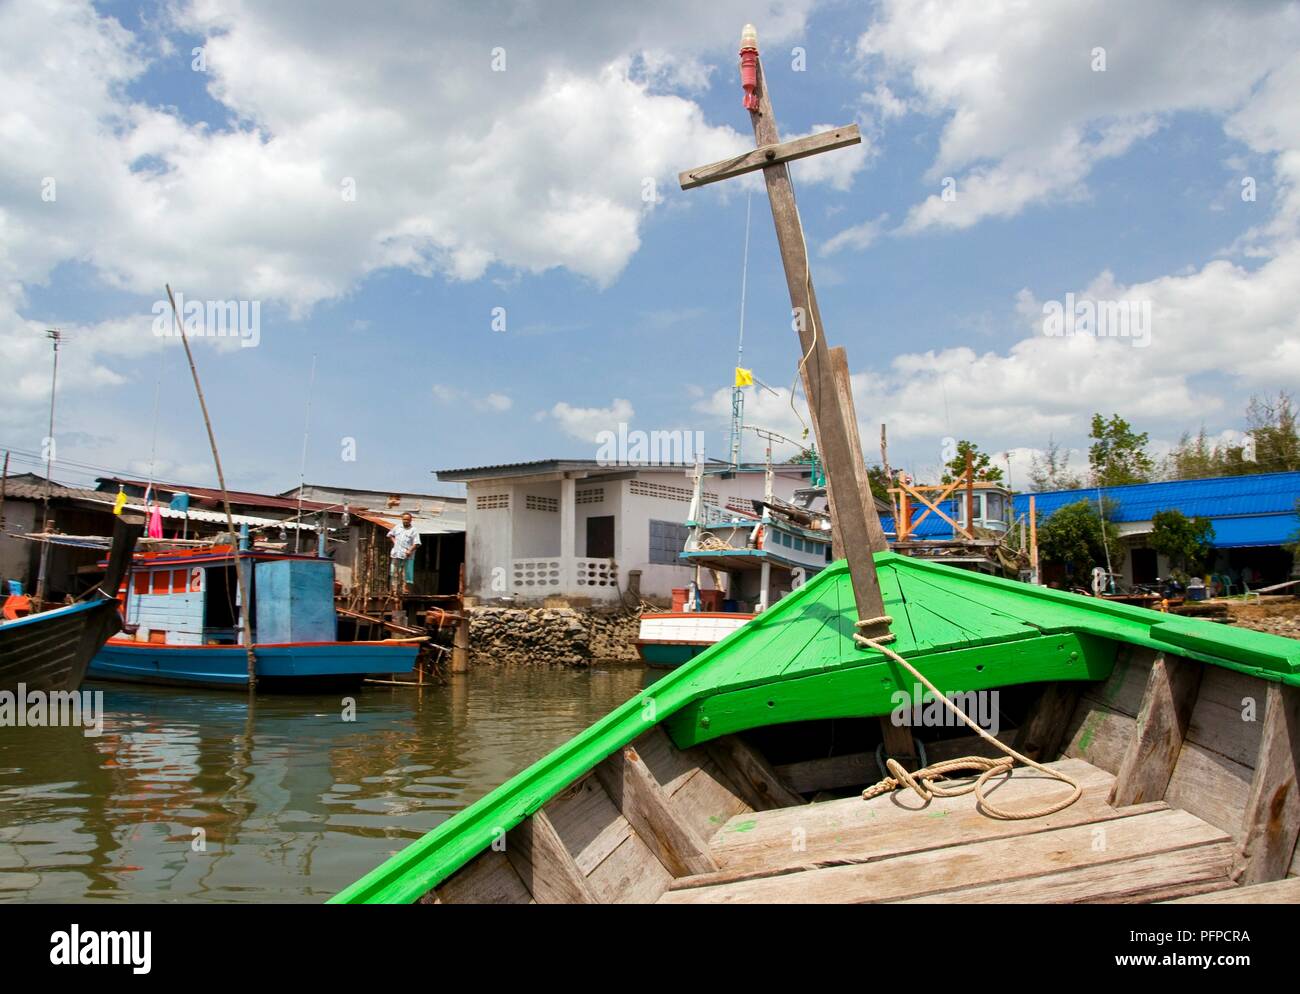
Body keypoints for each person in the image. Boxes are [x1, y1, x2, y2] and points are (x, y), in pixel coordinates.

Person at [387, 513, 420, 595]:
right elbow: (390, 534)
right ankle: (394, 589)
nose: (406, 521)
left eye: (407, 519)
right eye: (404, 519)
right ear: (402, 519)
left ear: (410, 520)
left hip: (407, 555)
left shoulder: (413, 530)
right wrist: (395, 542)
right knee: (394, 572)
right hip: (396, 553)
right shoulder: (397, 527)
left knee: (406, 572)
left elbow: (417, 543)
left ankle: (404, 588)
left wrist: (410, 550)